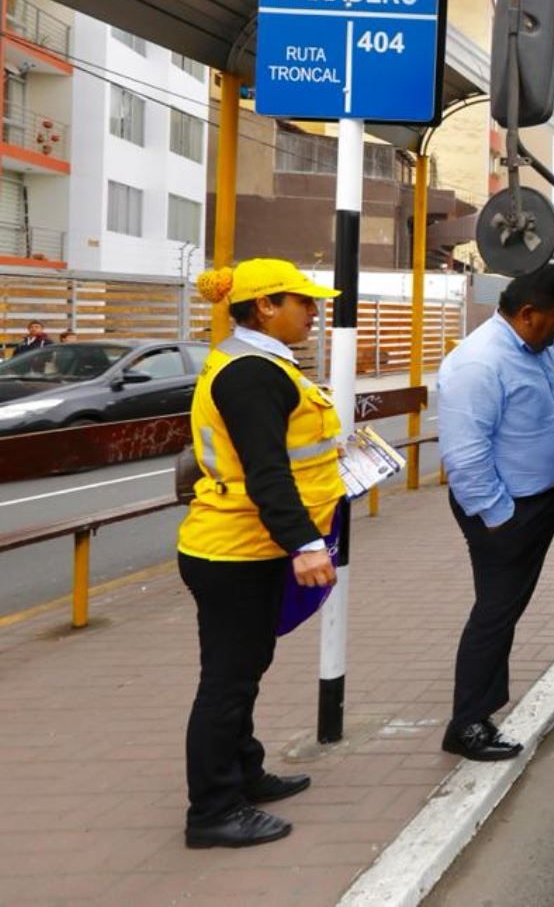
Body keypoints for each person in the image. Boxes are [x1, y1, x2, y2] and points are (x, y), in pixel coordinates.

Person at [179, 259, 345, 849]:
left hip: (244, 545)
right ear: (266, 306)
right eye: (303, 302)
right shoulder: (251, 373)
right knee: (227, 683)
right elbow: (267, 472)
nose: (314, 313)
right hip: (235, 550)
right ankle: (213, 811)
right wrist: (304, 543)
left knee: (243, 673)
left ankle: (244, 771)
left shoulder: (260, 363)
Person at [437, 262, 554, 761]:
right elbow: (465, 457)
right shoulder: (478, 364)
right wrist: (501, 520)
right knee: (498, 610)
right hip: (507, 506)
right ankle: (467, 724)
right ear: (529, 313)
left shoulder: (544, 349)